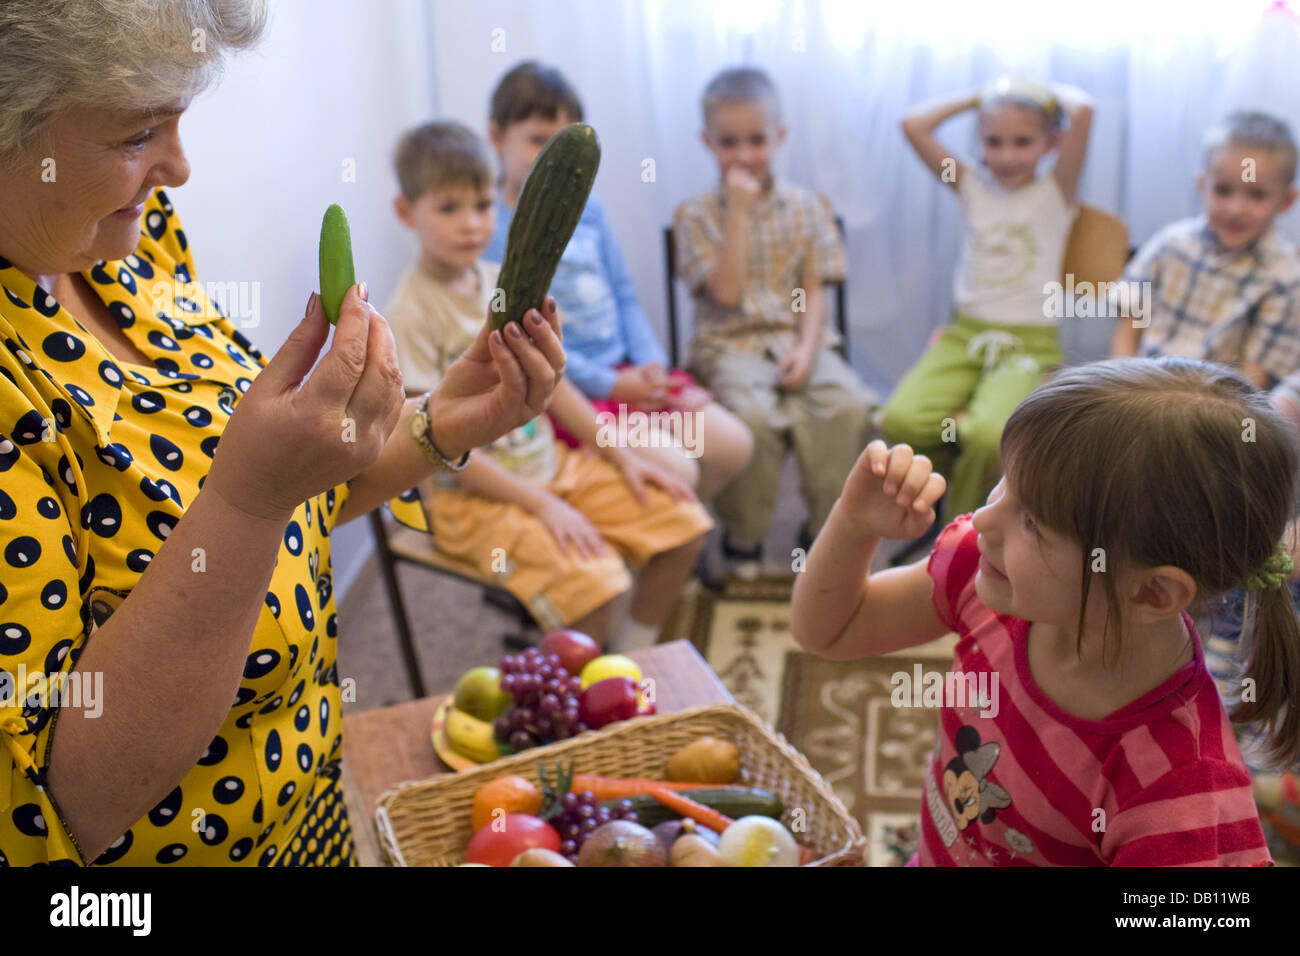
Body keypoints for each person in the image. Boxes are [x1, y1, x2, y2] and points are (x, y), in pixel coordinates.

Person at [0, 0, 565, 866]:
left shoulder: (131, 243)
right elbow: (60, 803)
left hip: (310, 811)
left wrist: (444, 423)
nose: (179, 168)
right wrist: (246, 504)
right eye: (136, 135)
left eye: (176, 121)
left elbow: (284, 502)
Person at [793, 357, 1295, 866]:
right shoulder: (985, 570)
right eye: (1006, 481)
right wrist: (854, 524)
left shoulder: (1181, 792)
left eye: (1032, 521)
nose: (985, 518)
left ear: (1152, 594)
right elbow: (833, 630)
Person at [384, 121, 712, 651]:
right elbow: (432, 443)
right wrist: (541, 505)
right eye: (449, 208)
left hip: (551, 466)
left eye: (483, 205)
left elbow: (554, 388)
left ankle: (631, 655)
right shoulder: (409, 314)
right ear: (406, 212)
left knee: (685, 524)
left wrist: (620, 453)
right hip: (472, 500)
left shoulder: (498, 281)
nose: (472, 223)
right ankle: (573, 709)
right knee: (597, 587)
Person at [483, 61, 753, 510]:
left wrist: (653, 367)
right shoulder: (490, 231)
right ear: (496, 137)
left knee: (732, 444)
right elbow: (525, 345)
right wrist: (613, 385)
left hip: (631, 373)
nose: (552, 157)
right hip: (576, 397)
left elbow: (625, 296)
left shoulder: (591, 210)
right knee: (679, 468)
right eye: (537, 140)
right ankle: (665, 541)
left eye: (563, 143)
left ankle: (671, 539)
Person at [673, 66, 876, 579]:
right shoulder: (695, 215)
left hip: (797, 336)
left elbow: (813, 290)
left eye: (757, 140)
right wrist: (738, 214)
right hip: (728, 345)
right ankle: (744, 539)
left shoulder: (809, 208)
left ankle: (823, 531)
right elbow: (724, 293)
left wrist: (808, 351)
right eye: (728, 143)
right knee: (754, 420)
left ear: (779, 137)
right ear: (707, 143)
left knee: (845, 406)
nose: (743, 155)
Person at [882, 78, 1093, 524]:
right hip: (965, 336)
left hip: (1028, 345)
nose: (1007, 155)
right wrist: (982, 95)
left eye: (1022, 141)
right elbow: (912, 124)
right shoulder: (971, 187)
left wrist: (1029, 89)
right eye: (994, 141)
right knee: (901, 420)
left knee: (987, 435)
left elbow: (1085, 111)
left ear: (1051, 142)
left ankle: (966, 531)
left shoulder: (1056, 192)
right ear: (979, 141)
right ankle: (928, 505)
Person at [1111, 112, 1300, 390]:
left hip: (1217, 411)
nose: (1236, 210)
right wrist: (1121, 385)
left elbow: (1254, 377)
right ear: (1202, 186)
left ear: (1286, 201)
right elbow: (1129, 328)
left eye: (1257, 195)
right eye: (1223, 191)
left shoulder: (1285, 277)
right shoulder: (1171, 243)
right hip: (1142, 389)